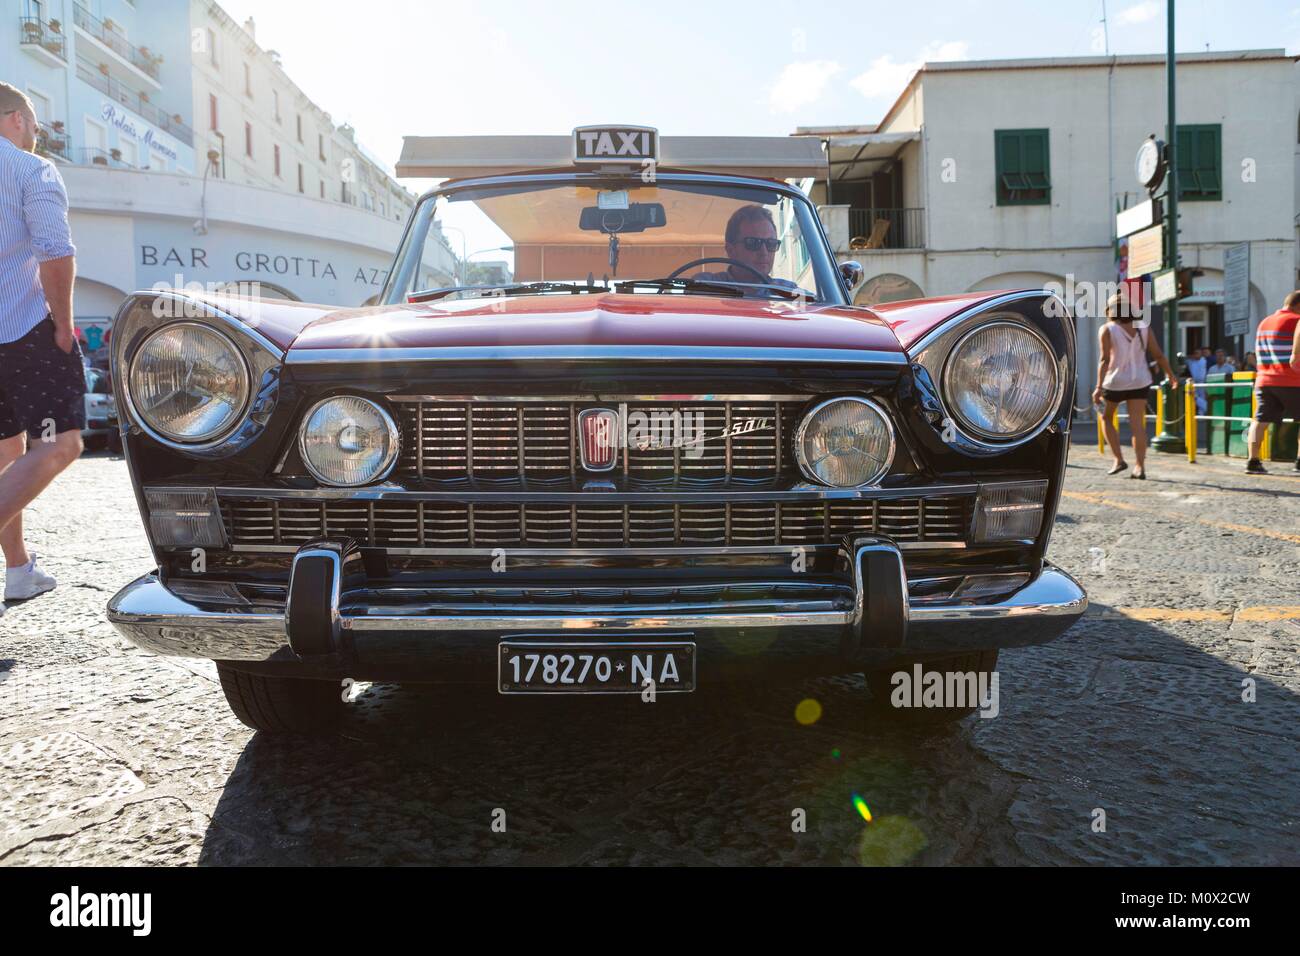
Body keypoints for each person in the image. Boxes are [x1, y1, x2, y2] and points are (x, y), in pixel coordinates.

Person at [0, 82, 84, 612]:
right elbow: (55, 253)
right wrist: (63, 327)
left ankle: (18, 570)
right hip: (23, 330)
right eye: (33, 123)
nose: (36, 134)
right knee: (61, 444)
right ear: (13, 119)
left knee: (8, 451)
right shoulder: (32, 171)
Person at [1092, 291, 1179, 479]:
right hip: (1140, 381)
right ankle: (1139, 467)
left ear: (1110, 310)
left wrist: (1098, 386)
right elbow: (1158, 355)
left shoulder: (1108, 329)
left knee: (1106, 418)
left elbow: (1104, 360)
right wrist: (1171, 375)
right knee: (1137, 425)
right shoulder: (1144, 328)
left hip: (1115, 382)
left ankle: (1118, 459)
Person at [1245, 290, 1300, 474]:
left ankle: (1253, 461)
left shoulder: (1264, 322)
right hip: (1292, 380)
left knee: (1260, 420)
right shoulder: (1295, 321)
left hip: (1264, 380)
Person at [694, 205, 798, 297]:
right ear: (731, 250)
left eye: (771, 243)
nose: (764, 252)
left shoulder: (788, 292)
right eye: (753, 243)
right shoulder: (706, 286)